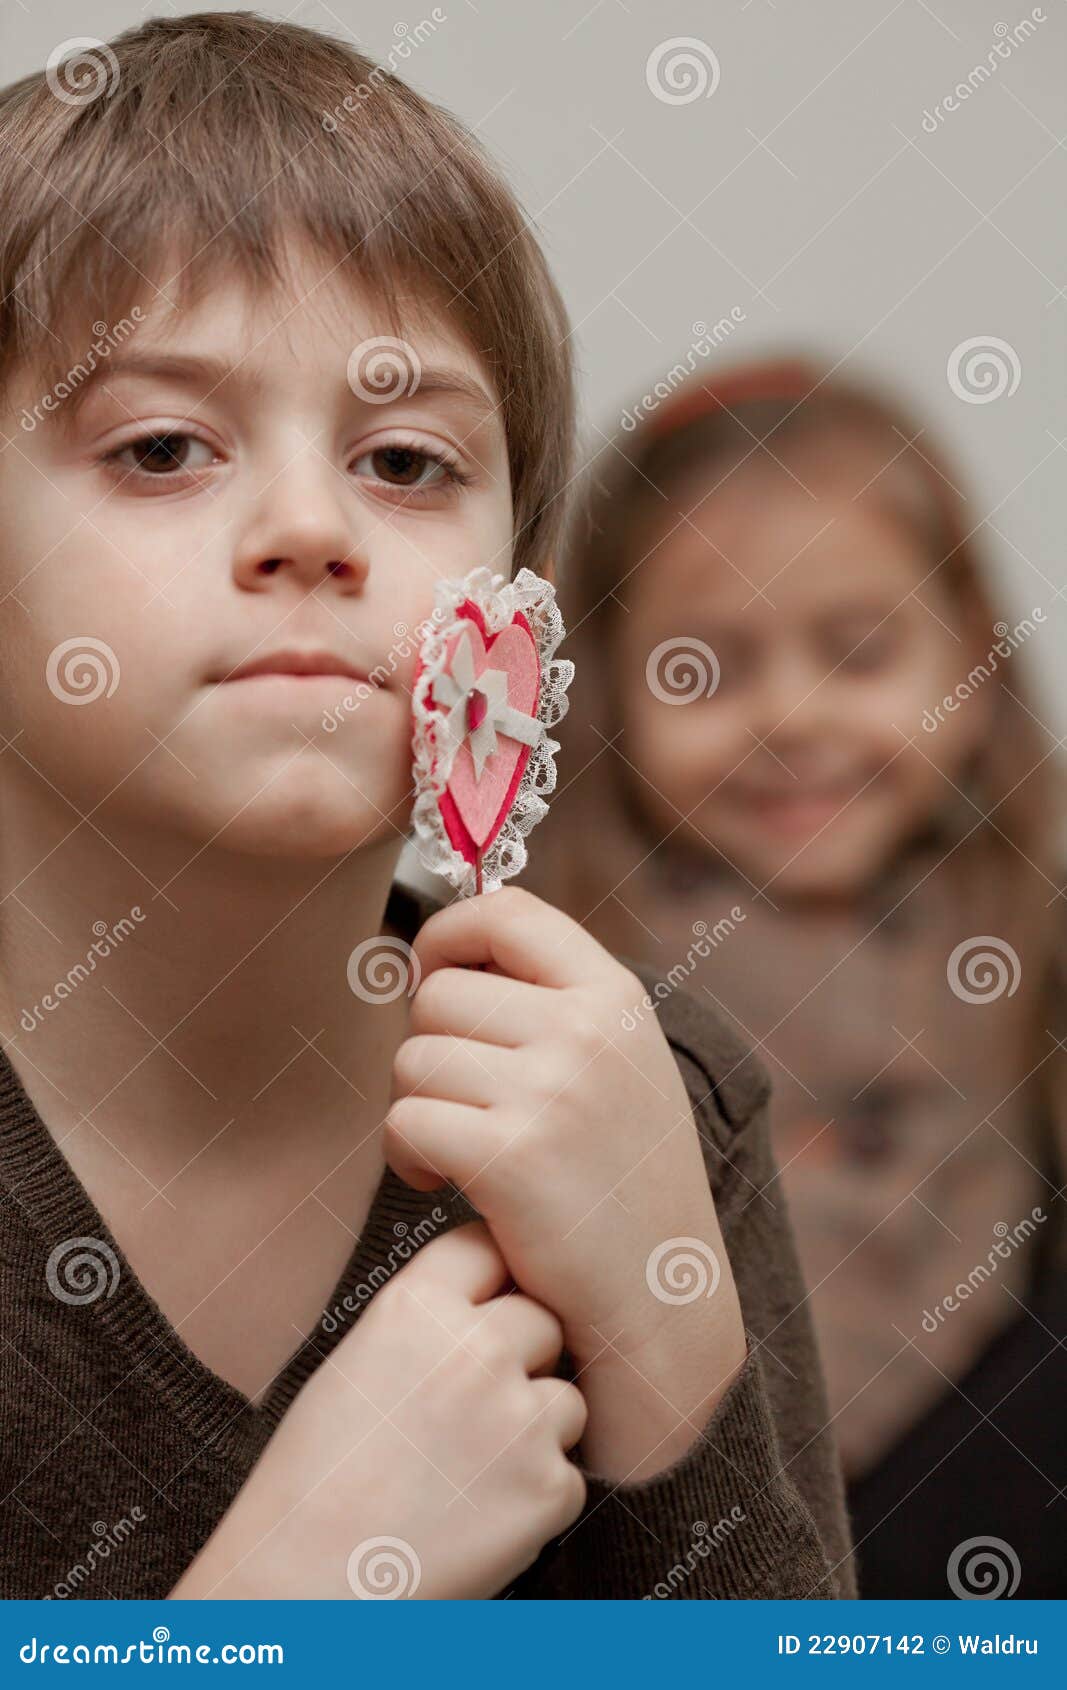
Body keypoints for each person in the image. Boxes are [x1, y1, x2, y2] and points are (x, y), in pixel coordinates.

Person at [0, 18, 852, 1601]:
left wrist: (669, 1382)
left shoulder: (654, 1103)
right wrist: (289, 1602)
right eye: (163, 446)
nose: (312, 526)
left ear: (513, 595)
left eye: (404, 460)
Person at [531, 355, 1067, 1596]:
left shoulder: (1037, 952)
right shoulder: (549, 976)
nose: (790, 715)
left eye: (859, 652)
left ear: (970, 674)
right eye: (704, 670)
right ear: (608, 700)